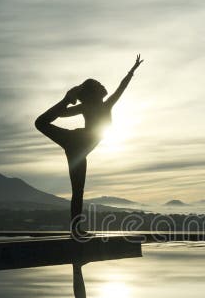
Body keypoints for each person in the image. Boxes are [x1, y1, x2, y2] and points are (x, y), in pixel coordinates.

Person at [35, 55, 144, 221]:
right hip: (75, 141)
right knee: (40, 123)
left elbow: (122, 87)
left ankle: (76, 228)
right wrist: (66, 100)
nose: (103, 85)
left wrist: (132, 70)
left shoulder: (106, 105)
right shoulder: (88, 106)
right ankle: (76, 228)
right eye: (98, 85)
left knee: (78, 191)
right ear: (93, 92)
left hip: (79, 150)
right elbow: (61, 114)